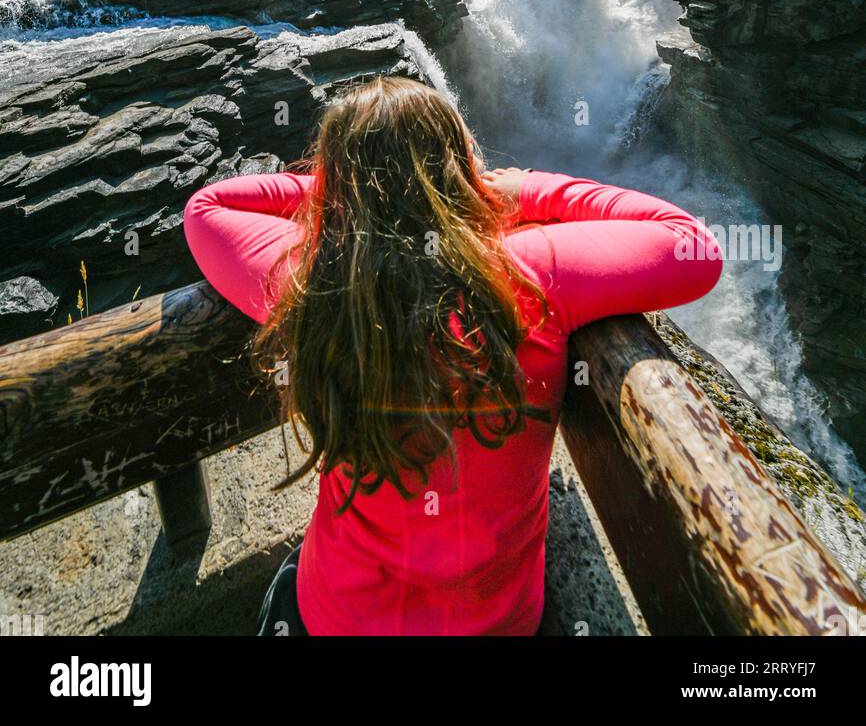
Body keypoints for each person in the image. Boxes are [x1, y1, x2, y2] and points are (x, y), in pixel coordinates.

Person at [183, 76, 722, 637]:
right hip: (502, 624)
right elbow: (693, 244)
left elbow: (207, 206)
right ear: (462, 166)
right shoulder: (530, 275)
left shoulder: (310, 283)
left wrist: (354, 183)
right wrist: (529, 190)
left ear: (337, 189)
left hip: (336, 617)